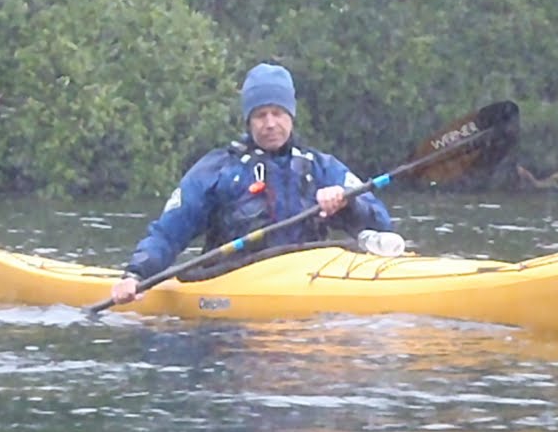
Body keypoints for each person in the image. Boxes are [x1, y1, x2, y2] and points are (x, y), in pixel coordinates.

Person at [109, 62, 397, 304]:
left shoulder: (322, 167)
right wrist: (135, 275)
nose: (270, 123)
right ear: (248, 121)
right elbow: (168, 233)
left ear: (291, 116)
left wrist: (348, 204)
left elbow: (382, 226)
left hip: (309, 285)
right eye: (260, 115)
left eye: (278, 113)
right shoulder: (217, 170)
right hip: (236, 295)